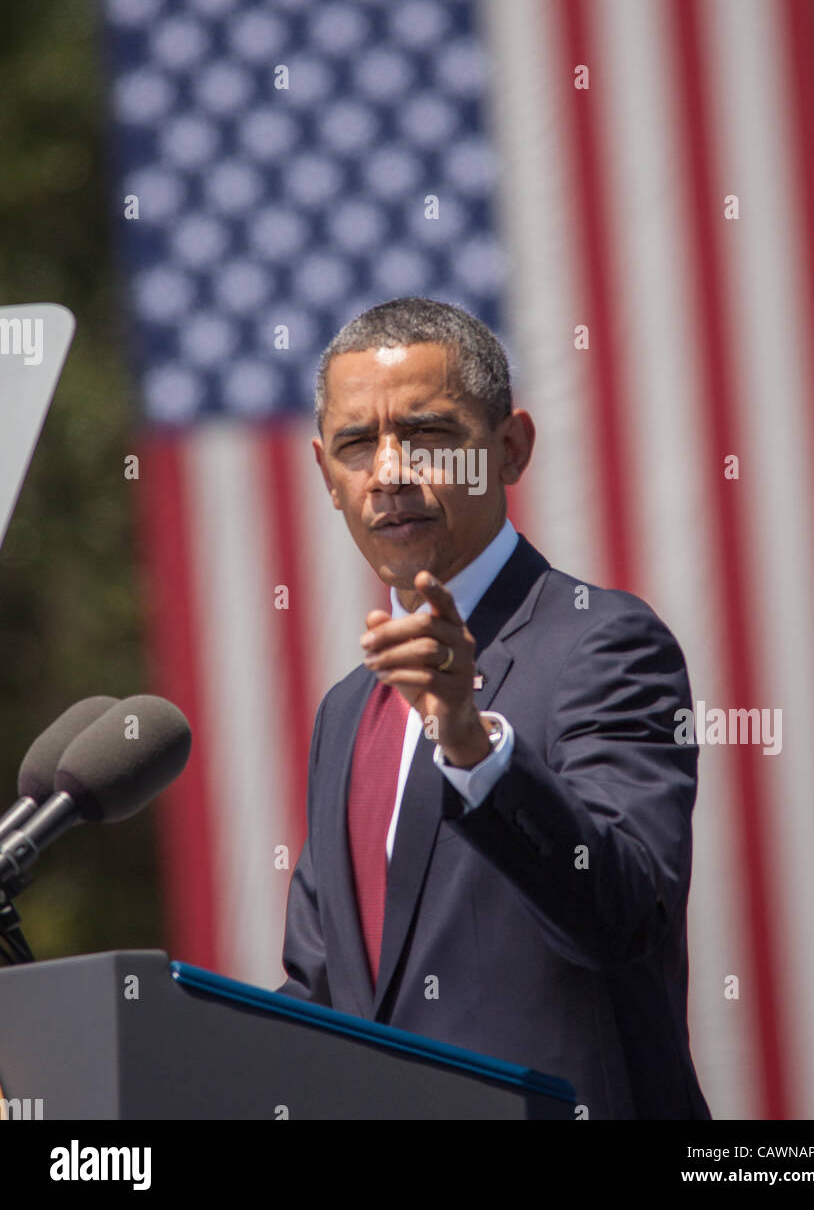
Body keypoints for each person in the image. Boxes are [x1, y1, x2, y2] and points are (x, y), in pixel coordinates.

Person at [279, 296, 711, 1120]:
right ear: (328, 477)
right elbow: (322, 992)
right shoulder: (346, 714)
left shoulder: (605, 644)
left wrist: (474, 747)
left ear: (509, 449)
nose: (390, 471)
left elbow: (624, 915)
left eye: (429, 434)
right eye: (358, 444)